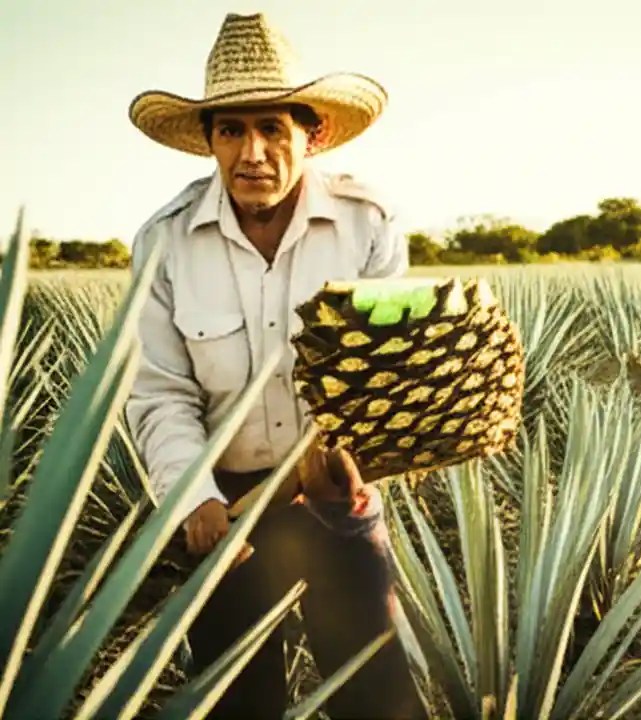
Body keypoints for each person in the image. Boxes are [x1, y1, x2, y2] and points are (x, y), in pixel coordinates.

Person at [124, 12, 423, 719]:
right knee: (235, 702)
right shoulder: (165, 242)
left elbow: (383, 378)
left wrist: (347, 459)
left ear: (310, 133)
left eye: (272, 130)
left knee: (374, 696)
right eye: (231, 130)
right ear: (209, 139)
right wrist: (191, 494)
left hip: (331, 494)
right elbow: (158, 391)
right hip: (221, 509)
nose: (251, 152)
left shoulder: (367, 224)